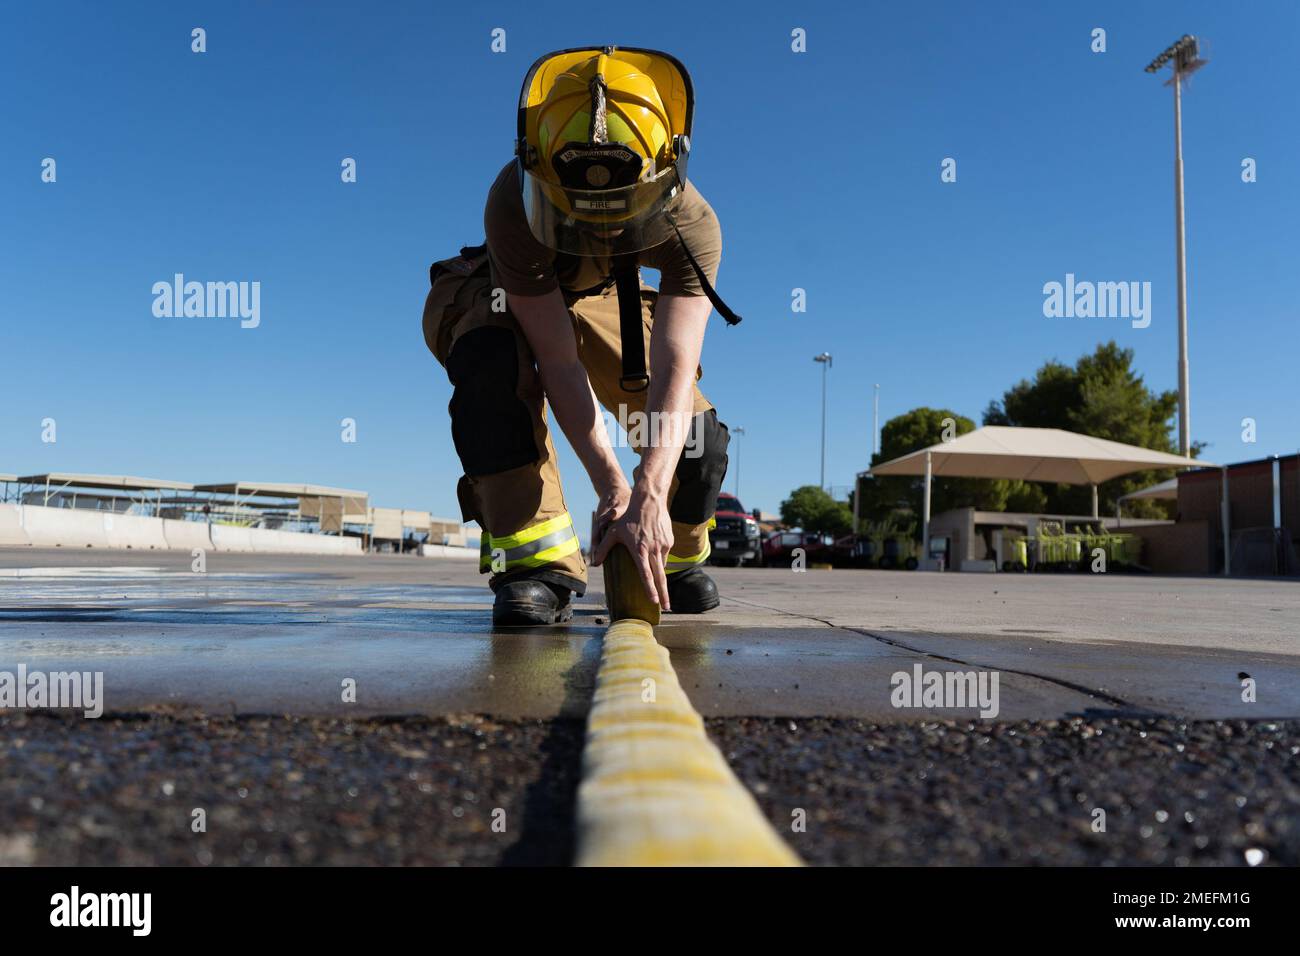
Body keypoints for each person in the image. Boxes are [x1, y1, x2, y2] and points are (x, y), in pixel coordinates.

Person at [423, 46, 741, 625]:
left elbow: (671, 363)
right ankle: (534, 564)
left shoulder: (693, 225)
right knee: (490, 367)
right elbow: (558, 363)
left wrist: (650, 487)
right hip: (508, 289)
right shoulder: (511, 204)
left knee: (696, 440)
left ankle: (675, 554)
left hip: (605, 297)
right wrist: (612, 482)